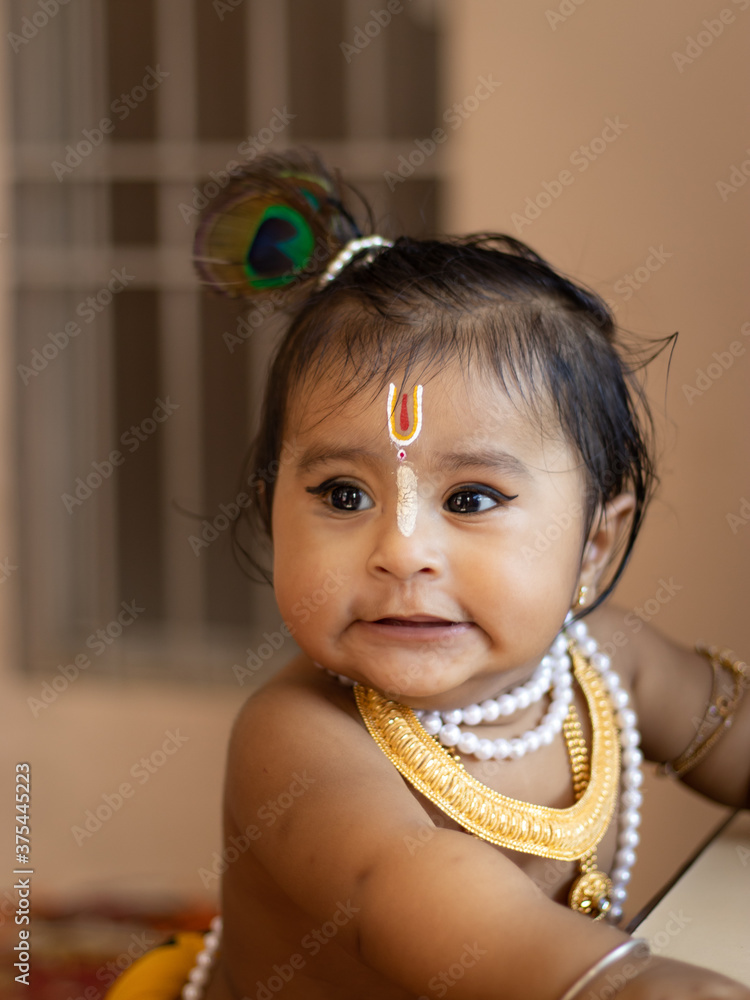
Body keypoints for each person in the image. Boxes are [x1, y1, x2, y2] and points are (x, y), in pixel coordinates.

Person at [107, 149, 750, 999]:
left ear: (595, 545)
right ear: (271, 511)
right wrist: (622, 985)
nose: (402, 550)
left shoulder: (613, 664)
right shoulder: (300, 738)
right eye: (344, 494)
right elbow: (417, 892)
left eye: (472, 498)